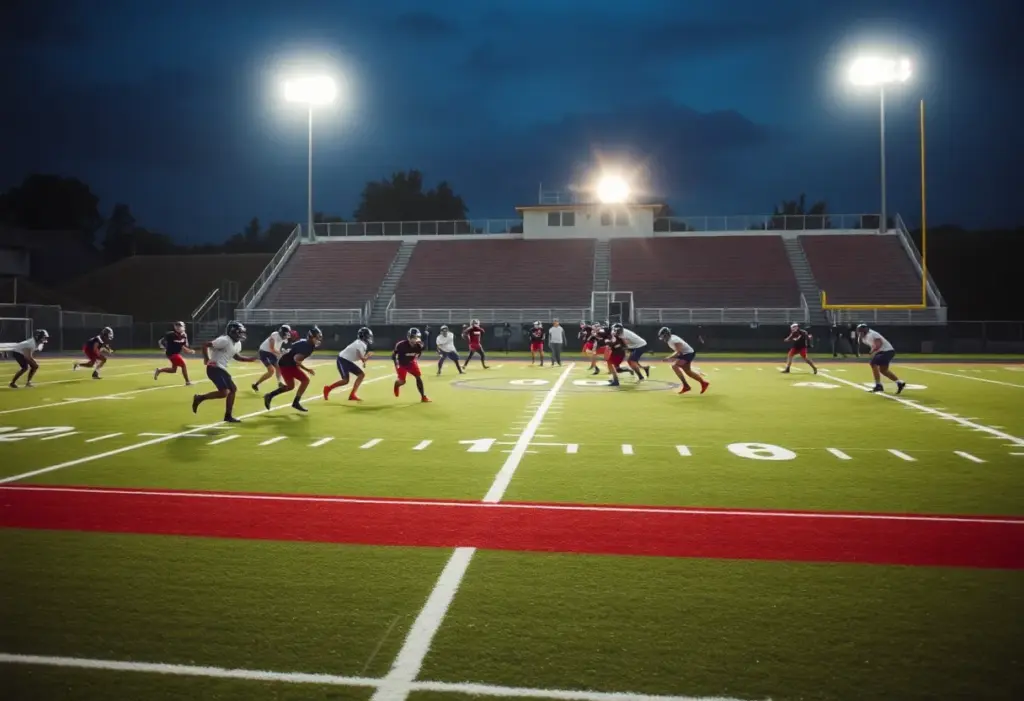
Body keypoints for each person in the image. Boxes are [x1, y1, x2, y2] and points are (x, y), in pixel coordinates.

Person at [192, 321, 256, 423]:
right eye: (239, 332)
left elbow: (236, 356)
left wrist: (249, 359)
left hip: (221, 368)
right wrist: (206, 359)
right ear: (233, 332)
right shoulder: (224, 340)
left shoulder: (237, 343)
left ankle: (201, 399)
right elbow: (205, 345)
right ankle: (226, 414)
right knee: (228, 391)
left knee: (228, 391)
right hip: (214, 367)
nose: (241, 334)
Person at [263, 326, 322, 412]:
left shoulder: (308, 344)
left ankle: (271, 396)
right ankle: (294, 402)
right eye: (316, 337)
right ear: (310, 337)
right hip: (286, 365)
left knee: (295, 384)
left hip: (289, 363)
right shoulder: (308, 346)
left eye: (319, 337)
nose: (318, 339)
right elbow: (296, 359)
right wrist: (307, 369)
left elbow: (294, 351)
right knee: (302, 381)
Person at [325, 327, 373, 401]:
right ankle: (328, 388)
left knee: (361, 375)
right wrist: (368, 355)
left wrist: (363, 362)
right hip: (342, 360)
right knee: (345, 380)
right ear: (364, 336)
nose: (369, 337)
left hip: (347, 360)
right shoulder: (360, 344)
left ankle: (352, 395)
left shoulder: (361, 343)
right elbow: (362, 359)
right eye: (368, 336)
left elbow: (359, 358)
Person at [856, 323, 906, 394]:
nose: (859, 333)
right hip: (883, 352)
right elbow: (862, 344)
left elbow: (879, 345)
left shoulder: (873, 334)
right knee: (883, 370)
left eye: (861, 331)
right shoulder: (864, 337)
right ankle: (899, 383)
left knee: (873, 363)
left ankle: (878, 385)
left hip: (886, 351)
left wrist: (872, 352)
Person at [658, 326, 708, 395]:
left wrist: (669, 358)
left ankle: (686, 386)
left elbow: (679, 352)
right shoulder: (671, 339)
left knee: (675, 366)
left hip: (688, 354)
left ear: (667, 335)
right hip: (685, 354)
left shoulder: (673, 340)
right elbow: (679, 352)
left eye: (663, 336)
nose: (663, 339)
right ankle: (703, 383)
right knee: (688, 371)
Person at [393, 327, 430, 402]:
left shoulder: (420, 346)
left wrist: (414, 359)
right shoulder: (401, 345)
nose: (413, 339)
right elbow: (394, 355)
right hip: (401, 363)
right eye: (412, 337)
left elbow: (419, 353)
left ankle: (423, 396)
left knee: (418, 377)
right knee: (402, 382)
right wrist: (396, 364)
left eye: (415, 337)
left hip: (411, 362)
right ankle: (396, 385)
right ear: (408, 337)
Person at [252, 324, 291, 392]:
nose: (287, 335)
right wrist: (282, 352)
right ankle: (256, 384)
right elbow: (272, 348)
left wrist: (283, 351)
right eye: (286, 333)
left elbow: (276, 348)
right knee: (271, 371)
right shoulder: (275, 335)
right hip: (264, 352)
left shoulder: (283, 337)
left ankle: (280, 383)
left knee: (278, 367)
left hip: (272, 353)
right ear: (282, 332)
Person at [154, 321, 194, 385]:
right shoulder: (170, 334)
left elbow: (182, 346)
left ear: (183, 327)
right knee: (183, 365)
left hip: (176, 353)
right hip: (171, 354)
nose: (178, 327)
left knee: (173, 370)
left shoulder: (184, 335)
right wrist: (163, 348)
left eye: (179, 326)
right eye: (176, 326)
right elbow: (160, 341)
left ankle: (159, 370)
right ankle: (187, 381)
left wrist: (189, 350)